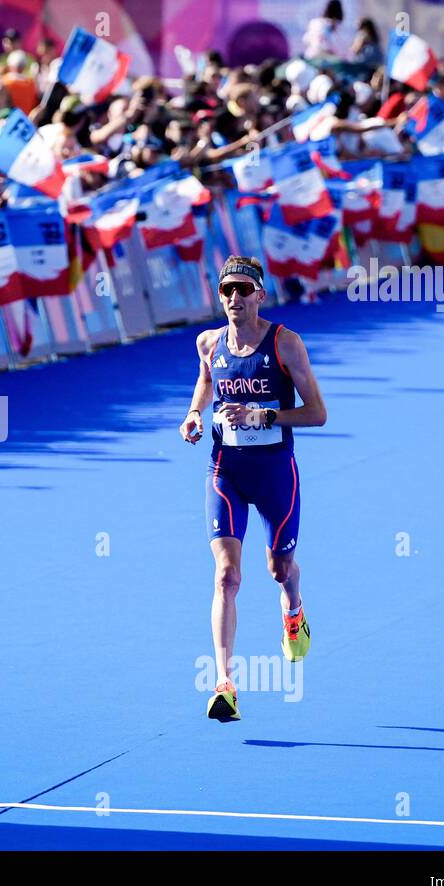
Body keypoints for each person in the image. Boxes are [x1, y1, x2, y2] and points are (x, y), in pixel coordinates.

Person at [179, 257, 328, 722]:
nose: (234, 299)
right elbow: (206, 383)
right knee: (227, 576)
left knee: (279, 569)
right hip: (226, 470)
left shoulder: (286, 344)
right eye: (227, 291)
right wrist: (194, 414)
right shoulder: (209, 343)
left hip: (275, 472)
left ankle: (294, 609)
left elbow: (318, 413)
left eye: (244, 290)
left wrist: (266, 416)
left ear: (261, 295)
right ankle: (224, 684)